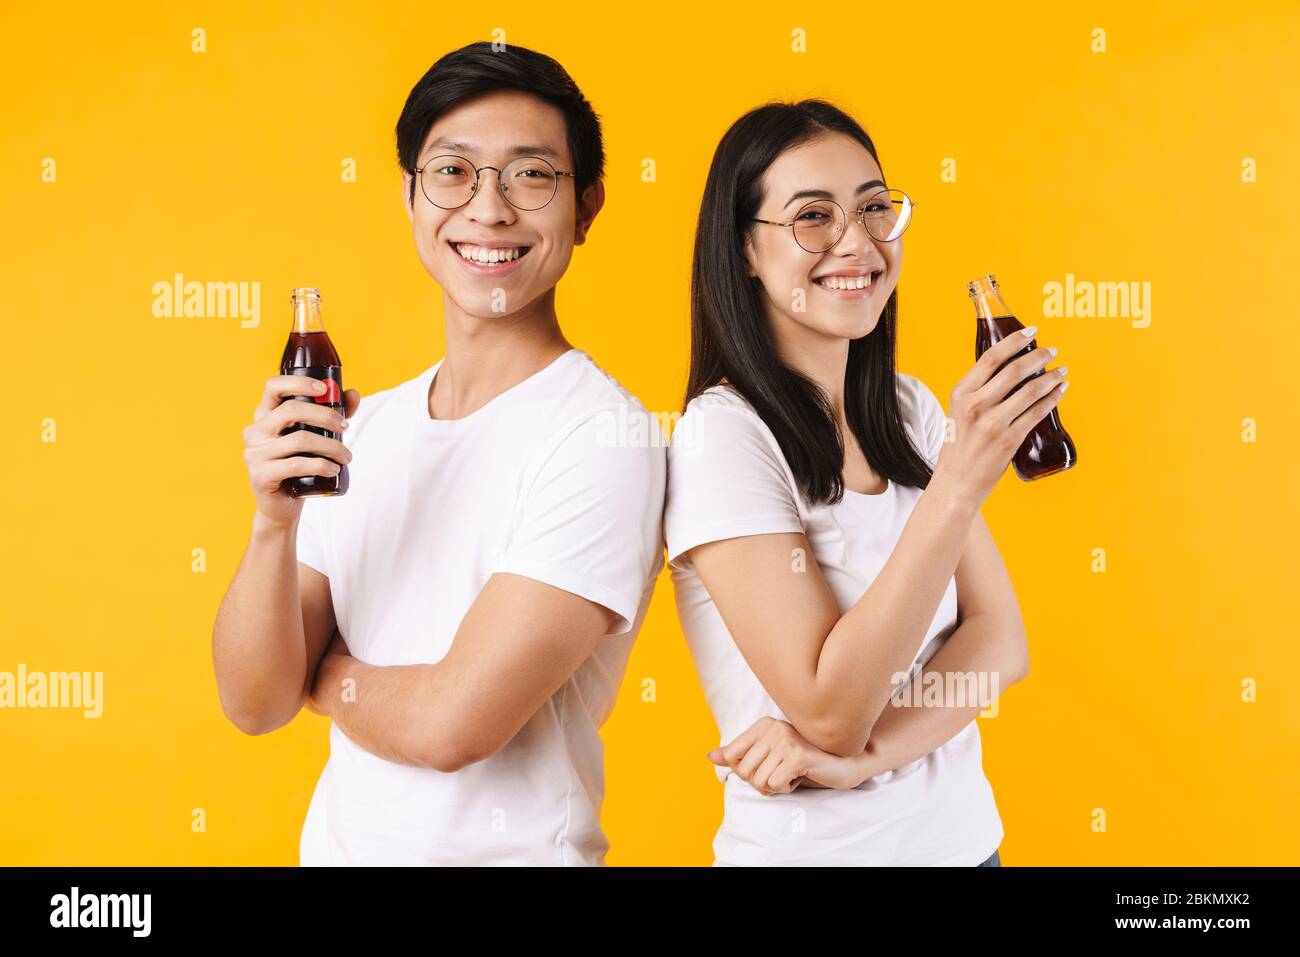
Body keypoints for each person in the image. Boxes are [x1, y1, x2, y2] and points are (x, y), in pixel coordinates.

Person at [212, 42, 666, 866]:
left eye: (531, 175)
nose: (488, 210)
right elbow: (253, 702)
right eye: (453, 172)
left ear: (588, 205)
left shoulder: (605, 435)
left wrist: (328, 676)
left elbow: (452, 726)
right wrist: (273, 526)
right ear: (411, 198)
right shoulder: (366, 427)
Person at [664, 99, 1068, 866]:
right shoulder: (723, 438)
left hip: (969, 848)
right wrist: (957, 485)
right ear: (744, 250)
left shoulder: (909, 408)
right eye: (812, 216)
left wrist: (868, 760)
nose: (859, 243)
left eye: (875, 208)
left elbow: (1000, 641)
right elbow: (828, 712)